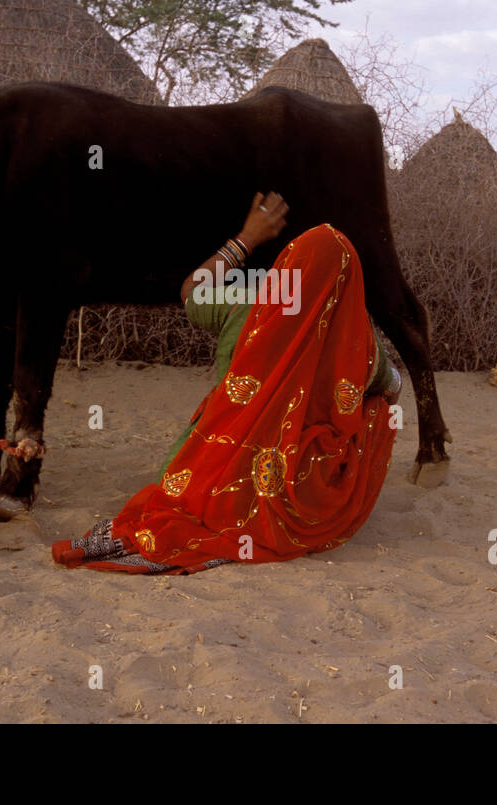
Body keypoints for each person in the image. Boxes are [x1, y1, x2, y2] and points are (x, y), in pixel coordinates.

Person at [52, 193, 401, 574]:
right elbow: (393, 386)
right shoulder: (361, 343)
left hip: (200, 475)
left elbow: (191, 292)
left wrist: (247, 238)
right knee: (378, 410)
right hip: (289, 492)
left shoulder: (248, 303)